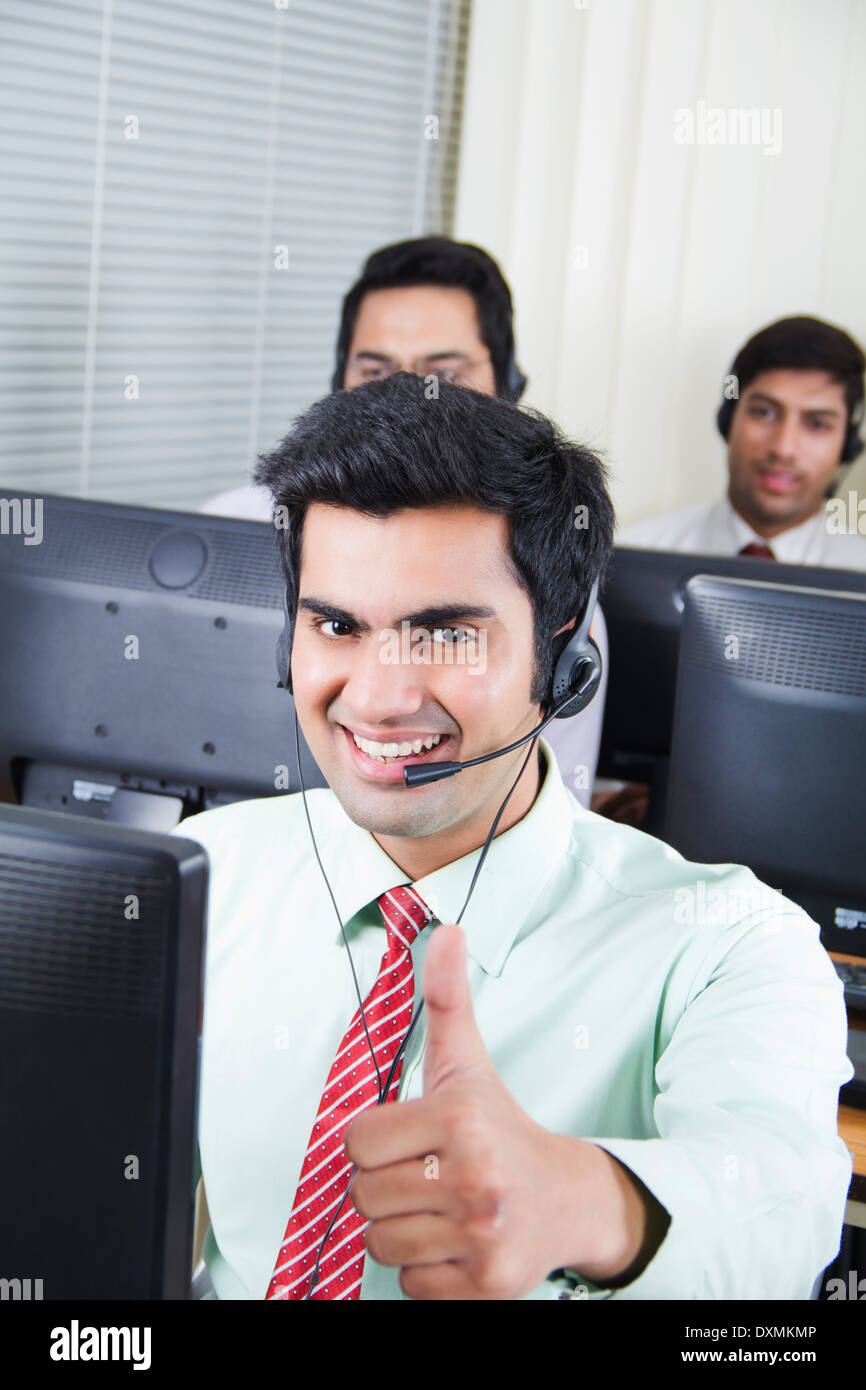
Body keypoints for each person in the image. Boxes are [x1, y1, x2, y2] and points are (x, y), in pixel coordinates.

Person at [177, 373, 851, 1300]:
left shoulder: (728, 940)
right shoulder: (203, 873)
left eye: (445, 635)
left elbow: (784, 1208)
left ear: (561, 655)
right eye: (335, 624)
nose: (376, 697)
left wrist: (585, 1203)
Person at [202, 236, 608, 806]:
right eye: (376, 371)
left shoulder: (542, 584)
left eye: (444, 371)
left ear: (509, 386)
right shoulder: (224, 530)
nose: (412, 395)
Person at [618, 315, 866, 569]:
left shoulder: (860, 576)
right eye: (763, 412)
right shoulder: (625, 561)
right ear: (728, 420)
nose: (783, 449)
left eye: (817, 424)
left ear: (847, 446)